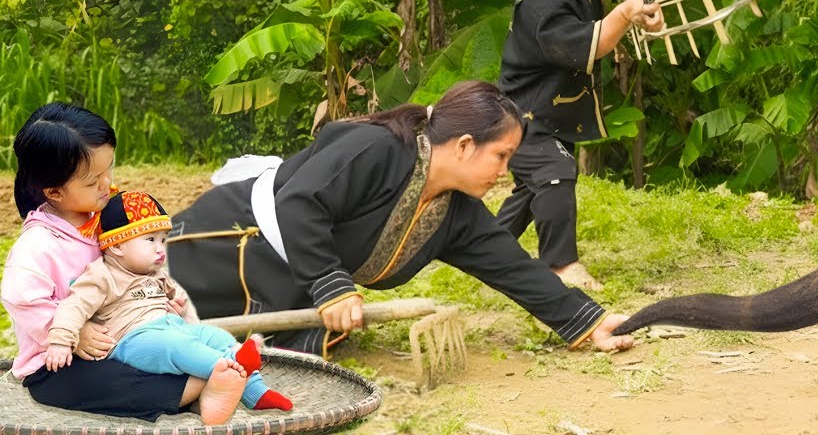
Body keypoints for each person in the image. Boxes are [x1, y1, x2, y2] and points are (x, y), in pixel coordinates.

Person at [166, 80, 634, 356]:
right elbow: (300, 201)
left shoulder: (455, 213)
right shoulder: (377, 147)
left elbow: (512, 267)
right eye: (501, 156)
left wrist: (587, 321)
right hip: (226, 245)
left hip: (287, 282)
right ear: (465, 145)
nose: (504, 171)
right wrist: (330, 284)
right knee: (149, 319)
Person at [3, 103, 241, 422]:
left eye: (109, 169)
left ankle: (204, 386)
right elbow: (21, 299)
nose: (107, 184)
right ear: (55, 192)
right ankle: (197, 390)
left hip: (128, 336)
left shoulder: (110, 219)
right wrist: (75, 334)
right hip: (59, 360)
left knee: (175, 345)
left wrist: (155, 301)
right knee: (110, 383)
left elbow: (137, 268)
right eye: (93, 181)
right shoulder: (40, 244)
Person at [497, 0, 664, 291]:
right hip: (524, 114)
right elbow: (597, 42)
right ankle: (561, 265)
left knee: (533, 190)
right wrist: (626, 14)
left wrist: (642, 9)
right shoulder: (542, 8)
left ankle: (484, 245)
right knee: (555, 174)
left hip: (554, 108)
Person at [44, 190, 292, 425]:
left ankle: (256, 392)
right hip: (133, 340)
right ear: (117, 245)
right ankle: (227, 369)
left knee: (215, 336)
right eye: (150, 240)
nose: (160, 249)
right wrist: (61, 341)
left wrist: (191, 324)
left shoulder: (155, 274)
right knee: (177, 347)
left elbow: (180, 300)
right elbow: (73, 306)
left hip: (170, 327)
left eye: (163, 240)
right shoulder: (101, 275)